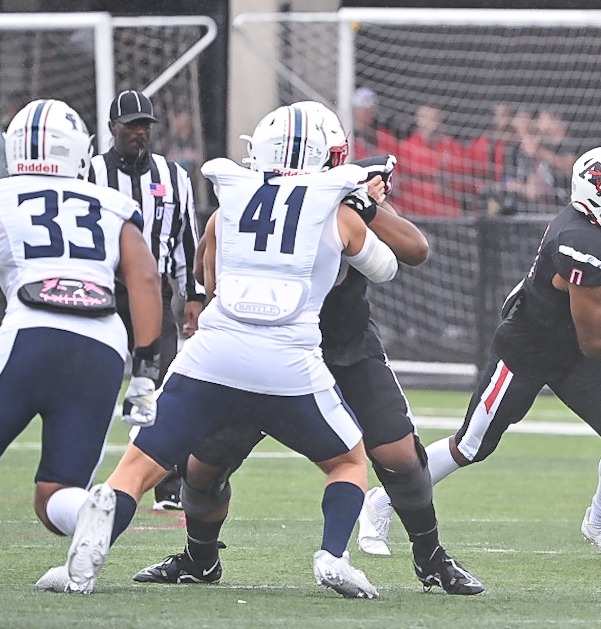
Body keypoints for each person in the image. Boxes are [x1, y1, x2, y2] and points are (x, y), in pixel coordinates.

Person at [36, 102, 400, 597]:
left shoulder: (232, 198)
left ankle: (82, 565)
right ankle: (332, 555)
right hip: (288, 363)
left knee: (137, 468)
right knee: (348, 463)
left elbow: (207, 275)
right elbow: (388, 267)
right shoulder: (338, 208)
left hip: (213, 355)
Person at [131, 103, 484, 596]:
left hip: (341, 348)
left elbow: (416, 249)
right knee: (202, 467)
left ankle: (430, 557)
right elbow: (207, 269)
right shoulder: (245, 200)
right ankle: (200, 558)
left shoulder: (344, 202)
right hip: (264, 349)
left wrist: (367, 205)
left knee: (400, 456)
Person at [358, 145, 601, 563]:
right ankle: (381, 502)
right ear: (599, 203)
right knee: (471, 446)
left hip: (571, 352)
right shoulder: (582, 244)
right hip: (528, 348)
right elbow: (595, 342)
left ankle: (599, 521)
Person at [0, 99, 162, 583]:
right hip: (101, 347)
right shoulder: (110, 203)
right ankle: (86, 515)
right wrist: (147, 369)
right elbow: (146, 280)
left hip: (29, 336)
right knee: (57, 492)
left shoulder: (5, 196)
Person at [88, 89, 205, 511]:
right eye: (130, 125)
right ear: (111, 128)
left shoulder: (174, 177)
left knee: (164, 390)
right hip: (100, 293)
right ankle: (80, 474)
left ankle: (169, 483)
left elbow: (188, 239)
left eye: (144, 126)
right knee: (92, 384)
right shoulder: (90, 173)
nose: (138, 133)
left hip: (154, 295)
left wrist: (195, 294)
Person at [393, 104, 466, 217]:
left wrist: (449, 183)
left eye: (433, 118)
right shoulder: (405, 148)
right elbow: (396, 183)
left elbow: (466, 181)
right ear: (418, 120)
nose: (430, 123)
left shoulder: (453, 147)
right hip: (414, 214)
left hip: (447, 214)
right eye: (426, 118)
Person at [350, 87, 397, 160]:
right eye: (363, 109)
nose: (367, 113)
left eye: (371, 109)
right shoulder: (347, 135)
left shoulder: (385, 136)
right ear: (354, 110)